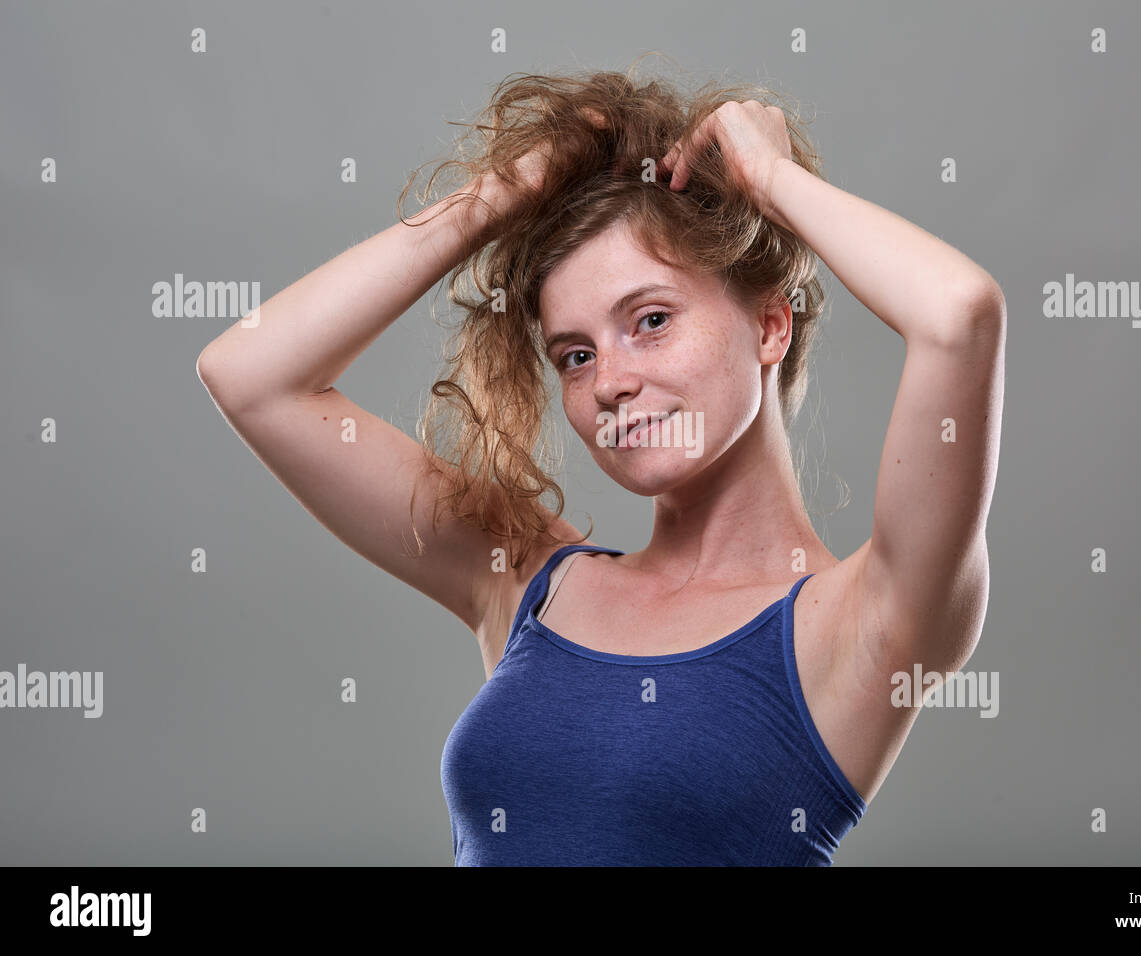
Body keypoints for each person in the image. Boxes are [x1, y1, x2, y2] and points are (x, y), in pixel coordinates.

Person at [196, 65, 1005, 866]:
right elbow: (252, 376)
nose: (610, 381)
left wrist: (769, 178)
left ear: (769, 326)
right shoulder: (526, 580)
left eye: (650, 320)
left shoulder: (863, 625)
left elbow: (959, 314)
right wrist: (506, 193)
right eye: (574, 355)